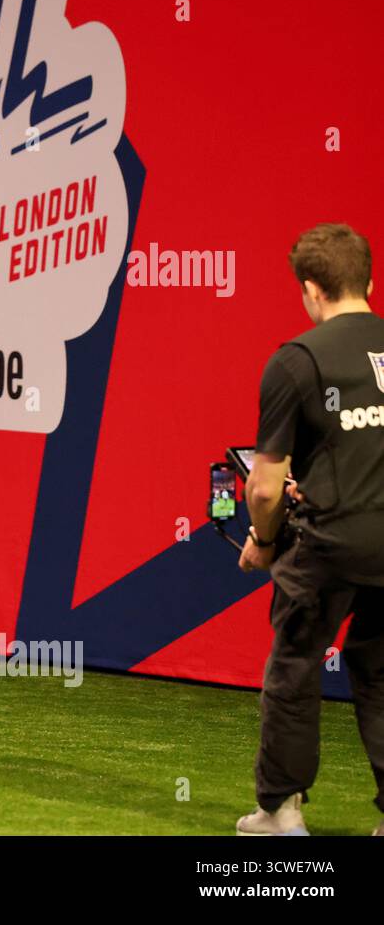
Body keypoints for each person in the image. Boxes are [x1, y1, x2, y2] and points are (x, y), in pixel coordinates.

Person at [236, 222, 384, 836]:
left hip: (329, 544)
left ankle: (281, 813)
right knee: (380, 669)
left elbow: (266, 486)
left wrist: (265, 542)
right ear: (370, 281)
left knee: (295, 663)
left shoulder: (296, 361)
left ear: (310, 290)